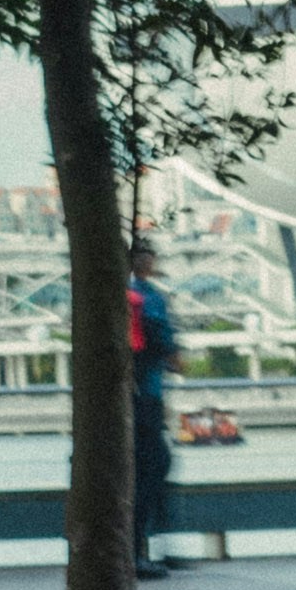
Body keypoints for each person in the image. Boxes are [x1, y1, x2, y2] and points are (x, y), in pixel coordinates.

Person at [123, 238, 182, 567]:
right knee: (155, 465)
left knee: (146, 467)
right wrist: (174, 357)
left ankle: (144, 548)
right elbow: (163, 341)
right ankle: (142, 551)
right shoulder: (147, 298)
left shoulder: (119, 294)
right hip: (146, 396)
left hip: (131, 397)